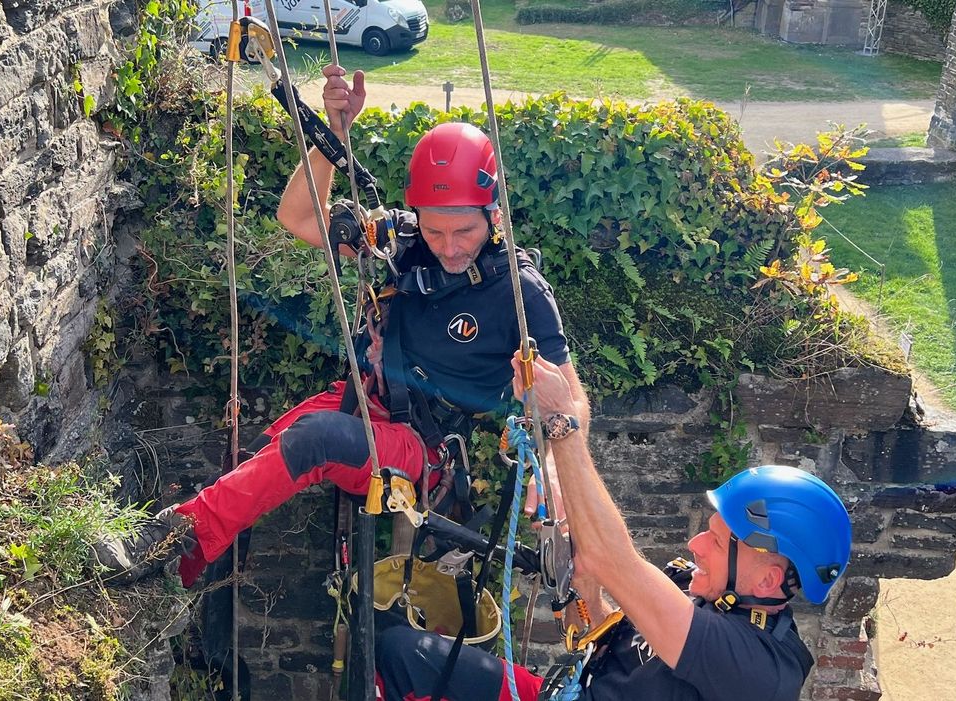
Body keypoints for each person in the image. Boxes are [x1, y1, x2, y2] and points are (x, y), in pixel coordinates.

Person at [93, 63, 586, 587]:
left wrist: (556, 470)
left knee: (316, 441)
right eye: (435, 230)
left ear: (494, 213)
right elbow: (299, 218)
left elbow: (570, 398)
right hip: (362, 397)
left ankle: (167, 538)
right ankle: (177, 572)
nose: (448, 248)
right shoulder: (402, 241)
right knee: (265, 454)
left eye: (464, 230)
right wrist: (335, 137)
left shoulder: (519, 292)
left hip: (423, 446)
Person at [375, 357, 853, 701]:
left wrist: (563, 425)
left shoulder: (756, 670)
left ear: (769, 578)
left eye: (719, 541)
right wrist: (582, 589)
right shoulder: (695, 588)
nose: (695, 545)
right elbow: (602, 642)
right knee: (401, 651)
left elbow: (612, 557)